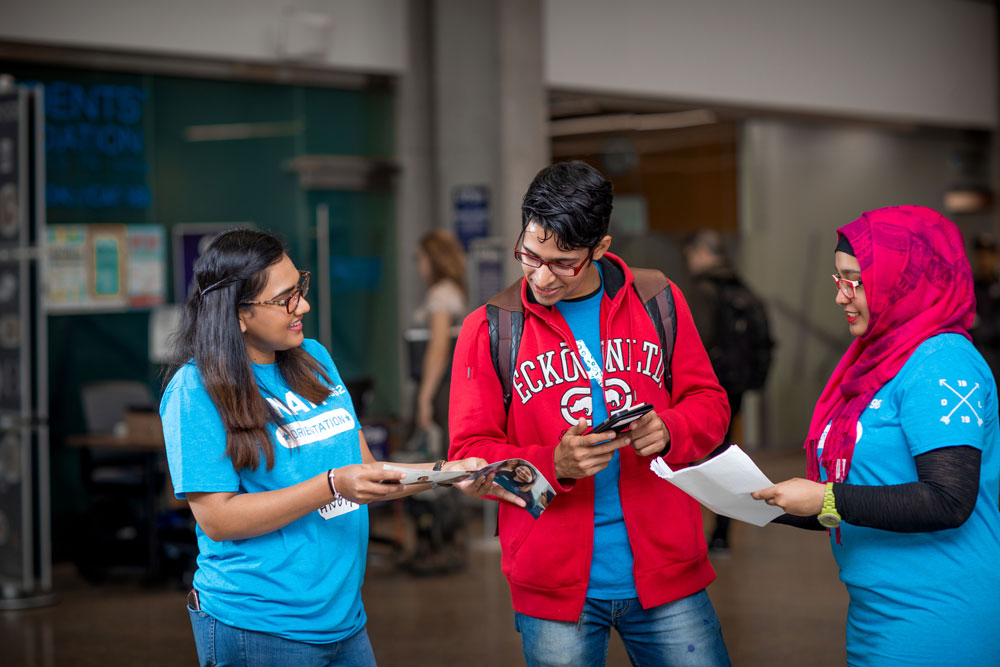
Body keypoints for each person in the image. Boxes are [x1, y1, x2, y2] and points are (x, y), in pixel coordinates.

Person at [160, 228, 519, 666]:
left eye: (301, 288)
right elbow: (217, 518)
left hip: (344, 620)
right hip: (259, 624)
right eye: (285, 298)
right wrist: (330, 486)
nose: (303, 306)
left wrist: (451, 472)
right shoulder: (194, 390)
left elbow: (364, 472)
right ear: (237, 314)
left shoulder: (313, 360)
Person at [448, 161, 732, 666]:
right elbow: (468, 461)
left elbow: (711, 405)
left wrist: (670, 428)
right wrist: (552, 465)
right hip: (554, 586)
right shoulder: (489, 329)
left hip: (668, 573)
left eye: (563, 263)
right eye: (529, 255)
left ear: (600, 249)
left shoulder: (658, 300)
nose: (540, 276)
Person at [752, 206, 1000, 666]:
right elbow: (860, 498)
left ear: (908, 279)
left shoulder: (940, 362)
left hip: (939, 611)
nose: (842, 296)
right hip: (878, 608)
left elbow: (949, 499)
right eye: (839, 279)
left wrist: (827, 497)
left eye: (856, 281)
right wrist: (748, 498)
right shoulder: (877, 364)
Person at [683, 229, 772, 552]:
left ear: (703, 252)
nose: (691, 261)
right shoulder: (742, 289)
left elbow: (695, 345)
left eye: (692, 254)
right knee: (722, 454)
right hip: (733, 387)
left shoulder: (703, 291)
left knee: (689, 457)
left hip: (705, 389)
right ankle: (722, 532)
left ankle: (690, 533)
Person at [969, 232, 1000, 387]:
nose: (984, 261)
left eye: (988, 256)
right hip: (977, 351)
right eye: (980, 256)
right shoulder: (971, 286)